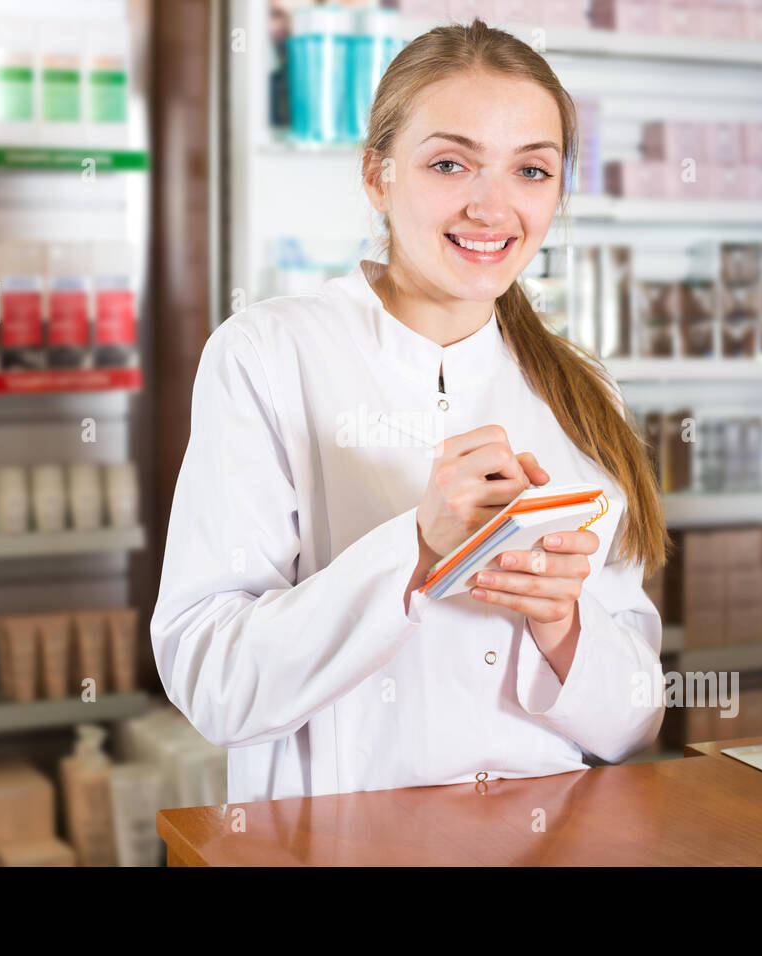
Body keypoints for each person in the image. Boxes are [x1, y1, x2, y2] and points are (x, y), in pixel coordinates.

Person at [151, 19, 668, 804]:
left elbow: (636, 723)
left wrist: (562, 626)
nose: (492, 208)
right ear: (377, 176)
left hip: (540, 843)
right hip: (334, 851)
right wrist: (417, 554)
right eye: (450, 163)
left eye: (531, 170)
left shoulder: (582, 390)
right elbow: (214, 683)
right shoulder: (270, 354)